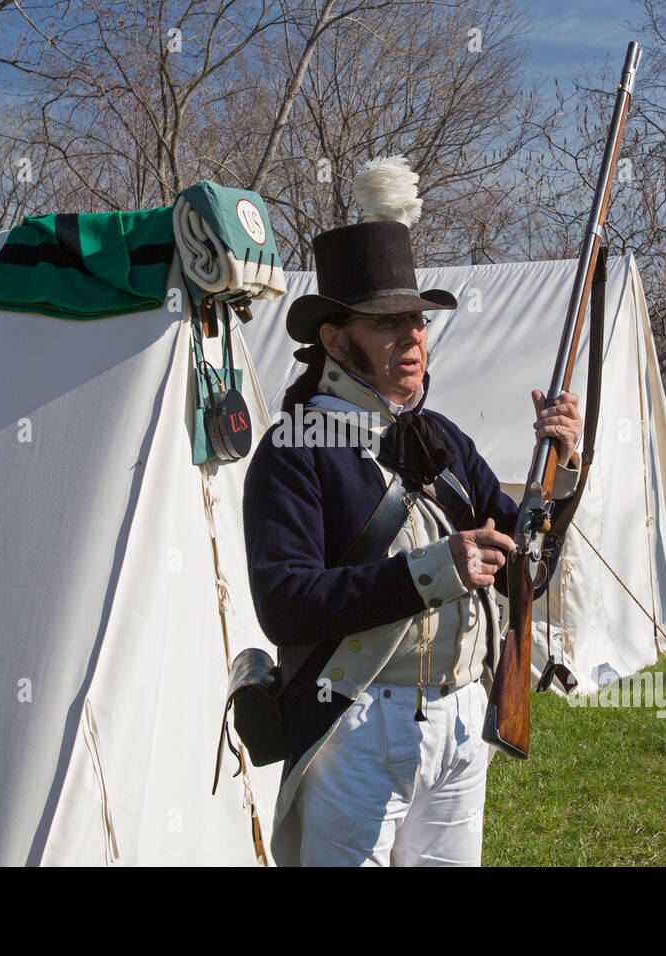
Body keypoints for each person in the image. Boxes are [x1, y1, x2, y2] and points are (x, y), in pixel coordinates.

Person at [242, 216, 583, 867]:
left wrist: (559, 477)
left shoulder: (442, 438)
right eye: (387, 323)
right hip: (360, 723)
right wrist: (429, 572)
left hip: (461, 714)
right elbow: (284, 602)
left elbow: (522, 565)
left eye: (418, 321)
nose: (412, 337)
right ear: (336, 342)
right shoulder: (293, 449)